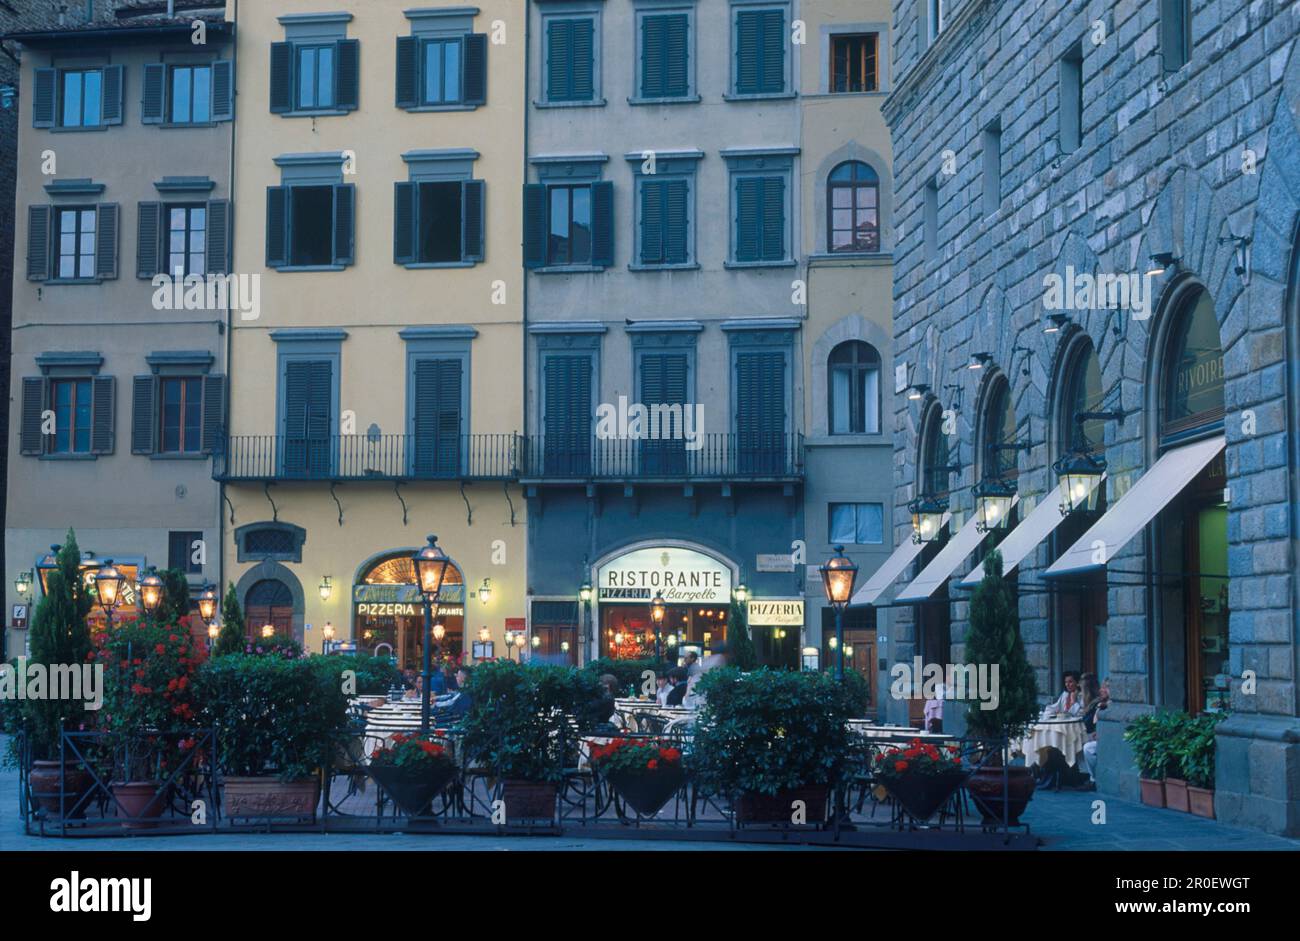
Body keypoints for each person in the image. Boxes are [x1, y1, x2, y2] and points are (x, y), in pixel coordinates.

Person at [1080, 673, 1109, 789]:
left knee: (1086, 747)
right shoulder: (1098, 703)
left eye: (1105, 687)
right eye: (1101, 687)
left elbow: (1092, 722)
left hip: (1103, 738)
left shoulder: (1102, 703)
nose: (1101, 690)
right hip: (1096, 735)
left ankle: (1093, 779)